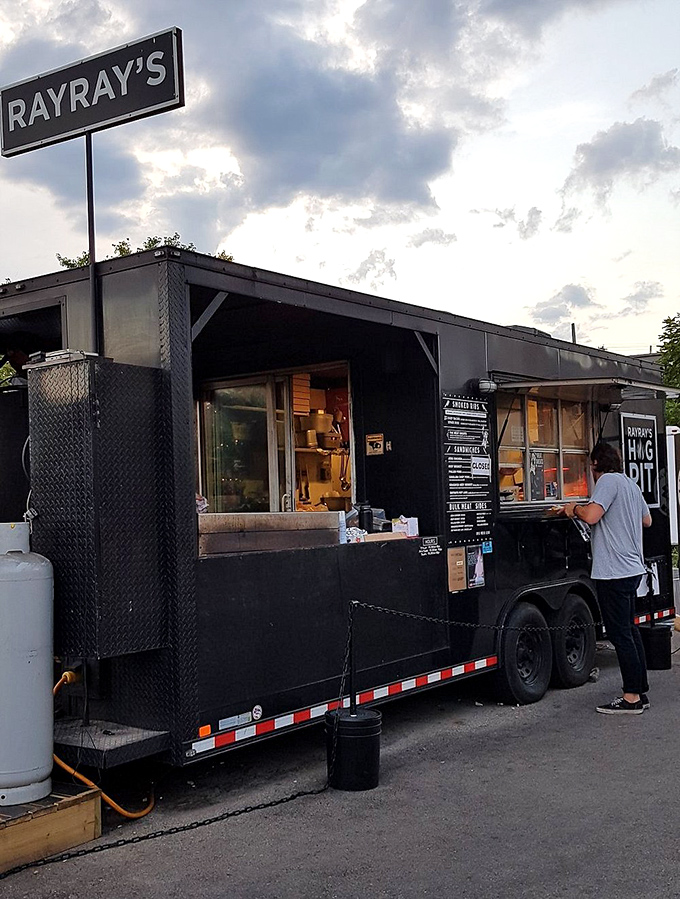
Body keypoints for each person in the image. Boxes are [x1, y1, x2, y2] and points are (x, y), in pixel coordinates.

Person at [561, 442, 652, 715]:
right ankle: (640, 691)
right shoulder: (630, 484)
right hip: (632, 568)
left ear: (595, 465)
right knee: (629, 630)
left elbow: (591, 516)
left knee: (620, 634)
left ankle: (631, 697)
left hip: (614, 570)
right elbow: (647, 520)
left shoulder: (608, 481)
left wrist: (574, 508)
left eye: (590, 466)